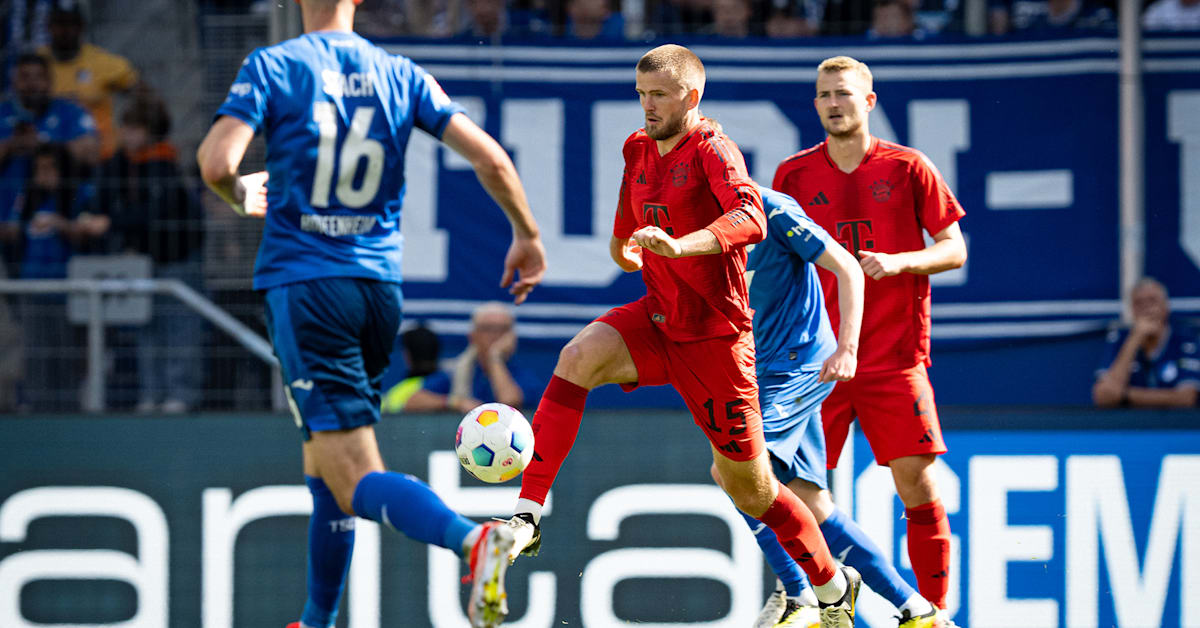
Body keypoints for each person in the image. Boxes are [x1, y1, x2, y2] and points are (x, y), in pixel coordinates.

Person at [195, 1, 547, 627]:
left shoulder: (276, 64)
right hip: (376, 289)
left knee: (354, 472)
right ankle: (317, 618)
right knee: (324, 462)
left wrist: (239, 191)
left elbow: (218, 163)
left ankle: (472, 540)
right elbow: (492, 157)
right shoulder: (401, 73)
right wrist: (526, 233)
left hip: (307, 287)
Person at [501, 43, 862, 627]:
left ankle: (830, 583)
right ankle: (526, 514)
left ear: (691, 97)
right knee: (578, 357)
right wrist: (628, 250)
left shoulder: (715, 150)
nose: (647, 106)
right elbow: (626, 237)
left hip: (717, 341)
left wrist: (682, 244)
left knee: (752, 491)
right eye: (641, 94)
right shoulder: (637, 148)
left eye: (659, 95)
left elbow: (751, 219)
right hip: (660, 314)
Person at [772, 55, 967, 623]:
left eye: (845, 94)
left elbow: (954, 248)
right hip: (816, 360)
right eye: (825, 95)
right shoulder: (794, 176)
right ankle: (811, 600)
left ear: (869, 102)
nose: (835, 103)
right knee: (790, 492)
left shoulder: (909, 168)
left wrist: (901, 261)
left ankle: (935, 610)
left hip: (892, 357)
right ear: (815, 104)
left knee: (919, 483)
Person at [734, 186, 947, 628]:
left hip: (800, 363)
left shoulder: (770, 208)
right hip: (761, 373)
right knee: (812, 504)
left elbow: (847, 265)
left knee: (736, 471)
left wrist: (847, 348)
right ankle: (916, 610)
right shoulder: (695, 224)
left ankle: (798, 593)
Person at [99, 93, 206, 414]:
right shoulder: (121, 164)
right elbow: (106, 197)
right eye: (125, 128)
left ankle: (180, 394)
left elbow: (157, 212)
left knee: (179, 329)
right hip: (143, 263)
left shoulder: (165, 165)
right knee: (147, 330)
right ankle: (151, 392)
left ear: (150, 130)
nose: (127, 136)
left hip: (178, 261)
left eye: (134, 128)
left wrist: (111, 222)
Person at [0, 52, 99, 224]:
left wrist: (43, 146)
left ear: (50, 81)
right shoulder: (3, 112)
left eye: (39, 77)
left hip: (61, 219)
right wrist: (11, 146)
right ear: (14, 81)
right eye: (24, 77)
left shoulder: (70, 111)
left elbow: (91, 152)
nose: (32, 84)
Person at [38, 3, 140, 159]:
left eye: (71, 23)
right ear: (48, 26)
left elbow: (145, 96)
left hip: (99, 156)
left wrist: (130, 127)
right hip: (48, 159)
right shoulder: (35, 64)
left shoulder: (102, 62)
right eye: (59, 23)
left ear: (81, 27)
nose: (65, 30)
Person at [1093, 278, 1199, 408]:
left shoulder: (1186, 340)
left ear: (1166, 307)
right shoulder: (1120, 338)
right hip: (1130, 425)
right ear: (1132, 310)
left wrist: (1124, 395)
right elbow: (1104, 396)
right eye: (1139, 303)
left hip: (1176, 426)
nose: (1147, 308)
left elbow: (1186, 398)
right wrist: (1134, 339)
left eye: (1152, 300)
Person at [380, 324, 479, 414]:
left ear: (408, 355)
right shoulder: (407, 383)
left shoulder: (439, 380)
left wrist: (456, 403)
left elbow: (415, 402)